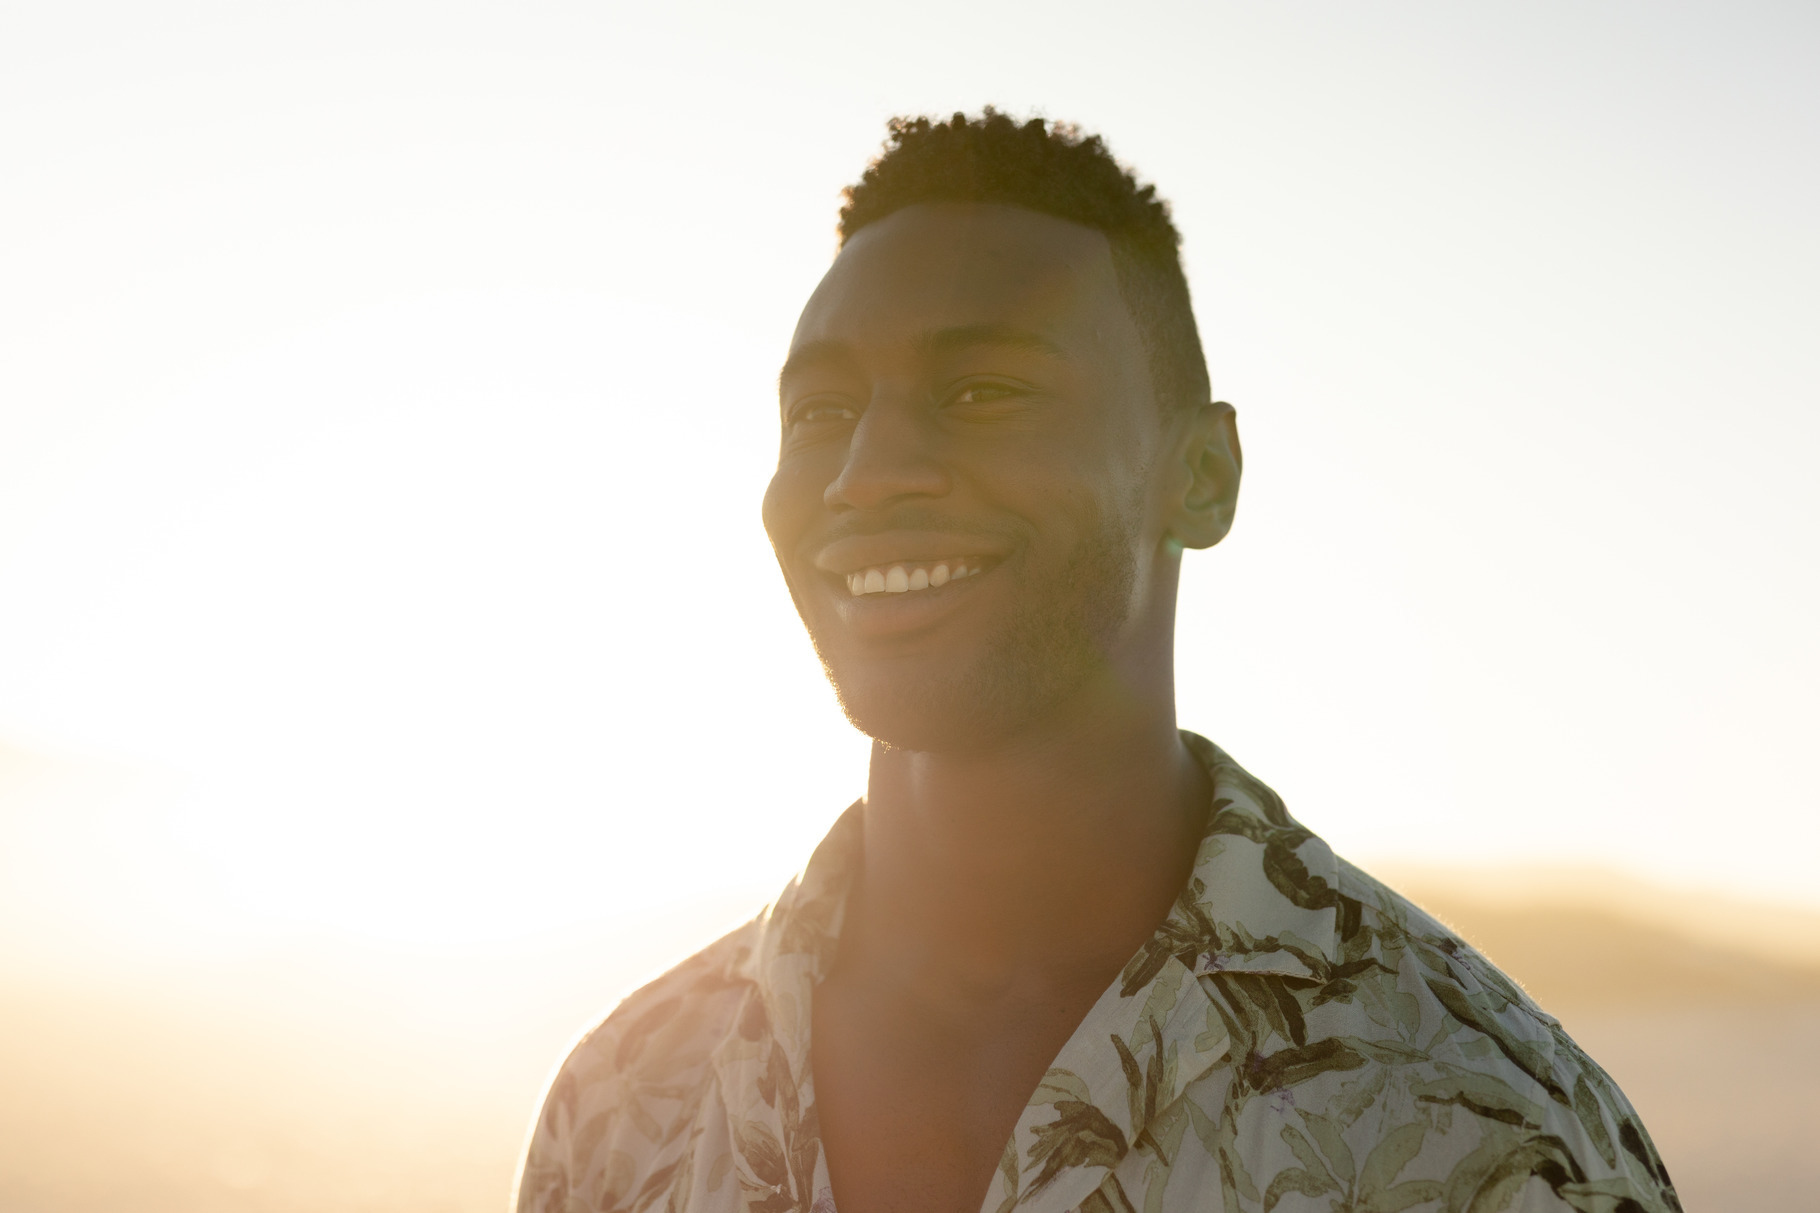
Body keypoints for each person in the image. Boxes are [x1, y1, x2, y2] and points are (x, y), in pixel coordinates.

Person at [514, 111, 1680, 1213]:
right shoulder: (624, 1106)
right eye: (820, 411)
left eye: (980, 392)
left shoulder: (1484, 1136)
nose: (864, 473)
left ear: (1200, 478)